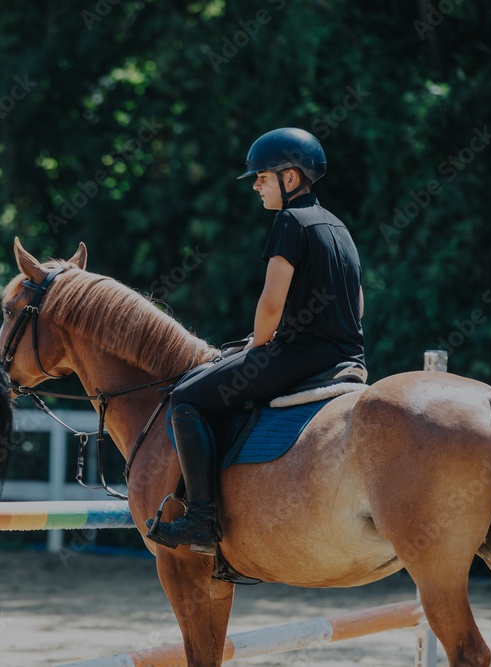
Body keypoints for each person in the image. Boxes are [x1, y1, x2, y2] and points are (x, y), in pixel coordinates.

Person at [146, 127, 365, 554]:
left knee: (186, 398)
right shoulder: (338, 227)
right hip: (347, 357)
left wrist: (258, 345)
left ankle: (202, 518)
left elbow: (270, 303)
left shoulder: (289, 221)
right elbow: (357, 304)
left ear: (290, 178)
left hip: (298, 356)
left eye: (262, 177)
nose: (256, 186)